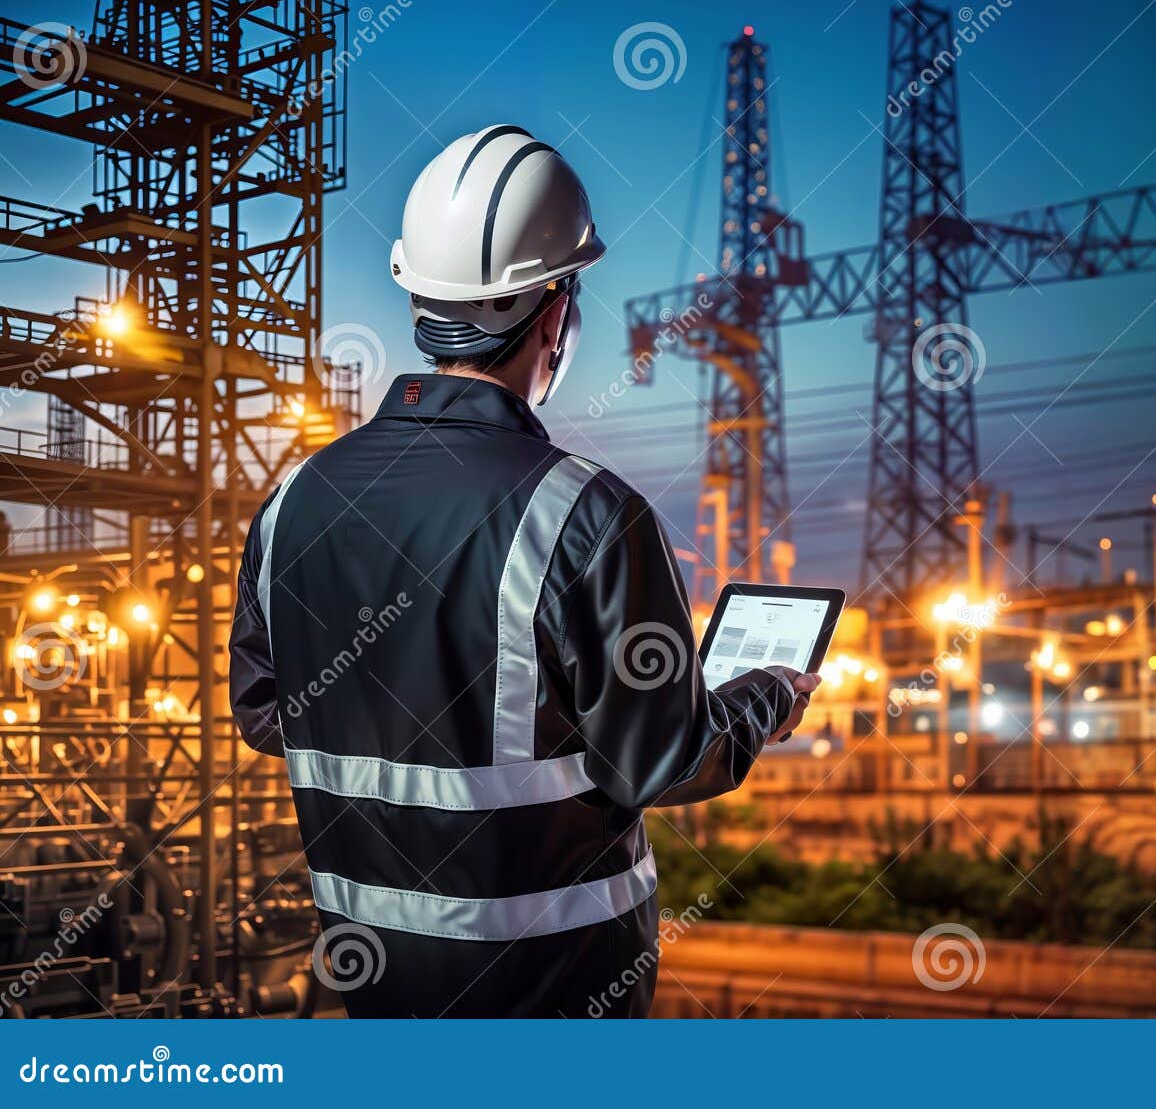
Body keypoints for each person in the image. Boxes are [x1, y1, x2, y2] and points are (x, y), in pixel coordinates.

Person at [228, 125, 817, 1017]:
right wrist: (766, 692)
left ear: (421, 299)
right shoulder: (587, 516)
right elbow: (666, 759)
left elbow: (269, 716)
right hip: (555, 988)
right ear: (555, 315)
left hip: (370, 975)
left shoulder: (292, 504)